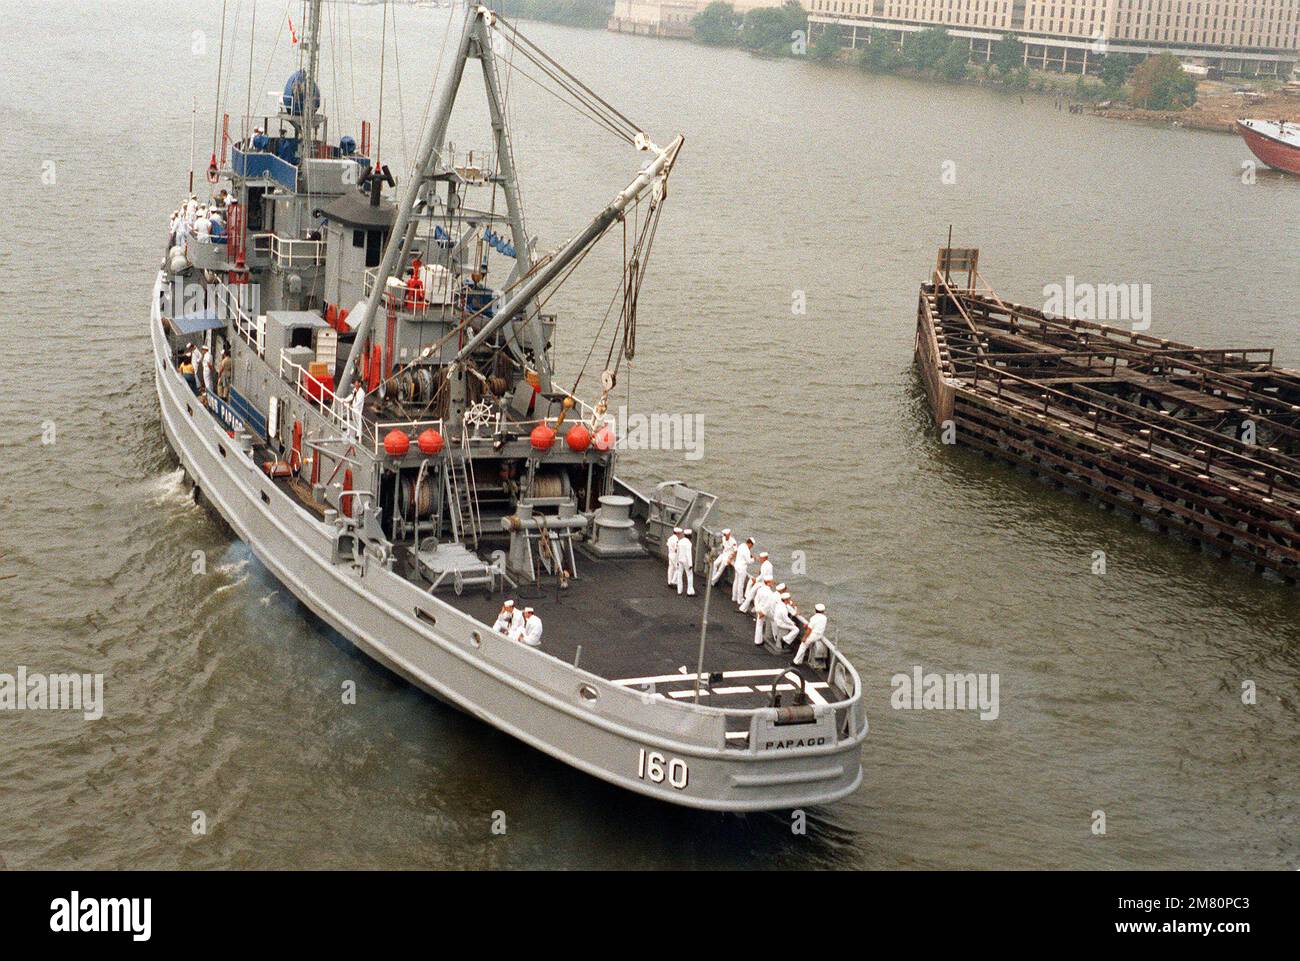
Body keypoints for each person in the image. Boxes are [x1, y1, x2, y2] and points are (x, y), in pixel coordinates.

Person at [751, 577, 776, 646]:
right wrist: (763, 612)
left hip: (759, 609)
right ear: (768, 582)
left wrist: (758, 609)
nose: (773, 583)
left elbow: (756, 599)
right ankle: (775, 637)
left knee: (759, 624)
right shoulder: (770, 593)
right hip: (766, 610)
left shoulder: (760, 589)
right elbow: (768, 604)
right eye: (771, 582)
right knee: (774, 621)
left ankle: (758, 641)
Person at [731, 537, 754, 605]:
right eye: (751, 546)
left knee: (736, 582)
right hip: (742, 568)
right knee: (741, 584)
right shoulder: (747, 550)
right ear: (750, 544)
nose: (751, 547)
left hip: (737, 566)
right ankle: (740, 600)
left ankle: (734, 597)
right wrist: (753, 559)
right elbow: (749, 561)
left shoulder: (741, 545)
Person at [677, 529, 695, 596]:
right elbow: (688, 554)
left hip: (680, 560)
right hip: (686, 561)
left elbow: (678, 552)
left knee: (679, 575)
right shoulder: (689, 543)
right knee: (689, 575)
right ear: (690, 535)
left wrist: (677, 561)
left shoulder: (680, 541)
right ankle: (690, 591)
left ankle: (679, 591)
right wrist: (690, 564)